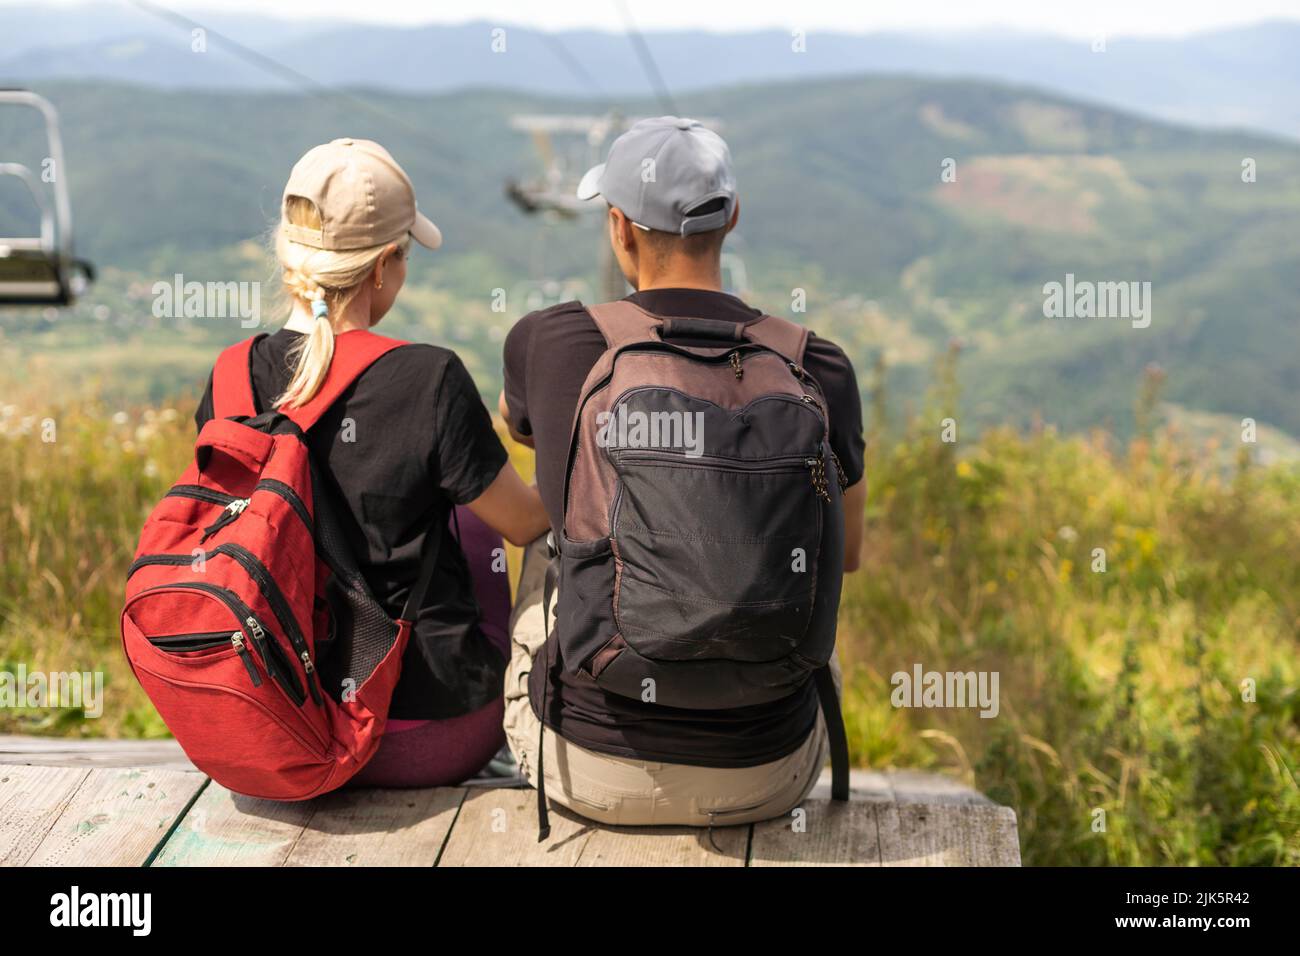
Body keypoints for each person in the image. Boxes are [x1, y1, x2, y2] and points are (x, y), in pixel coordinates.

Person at [499, 117, 866, 827]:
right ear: (732, 218)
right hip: (770, 773)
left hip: (586, 768)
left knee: (547, 538)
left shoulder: (551, 341)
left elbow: (519, 444)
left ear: (618, 226)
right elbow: (845, 555)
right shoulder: (820, 367)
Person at [194, 138, 549, 787]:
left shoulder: (230, 379)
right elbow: (527, 524)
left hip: (267, 726)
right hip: (423, 742)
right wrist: (577, 443)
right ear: (385, 265)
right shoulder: (429, 376)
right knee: (476, 522)